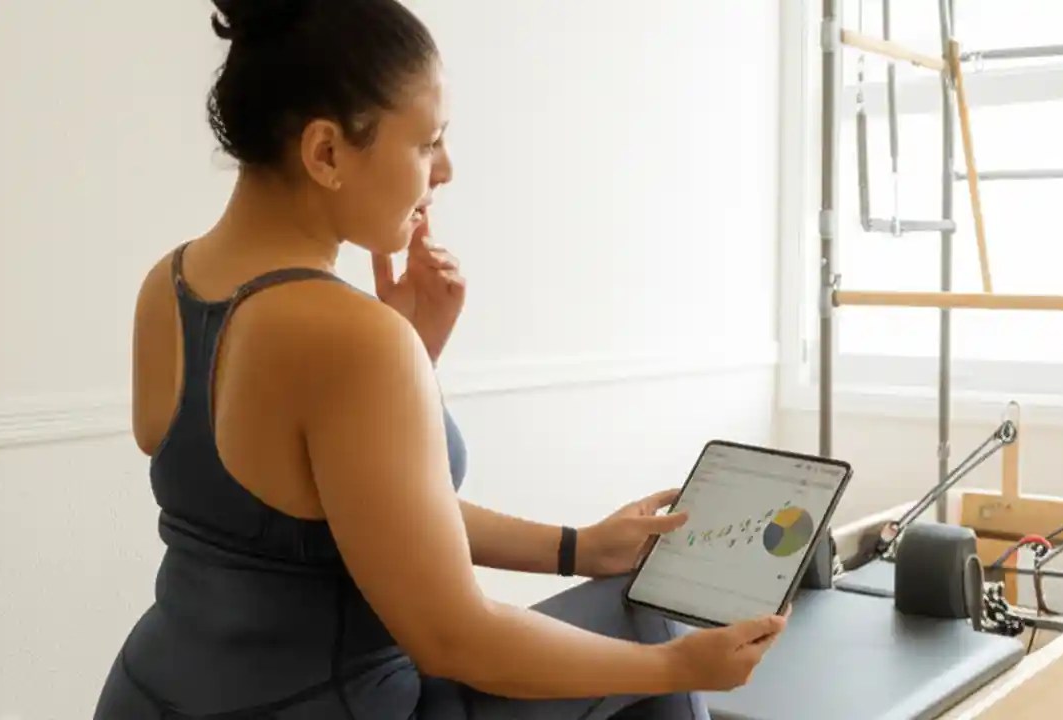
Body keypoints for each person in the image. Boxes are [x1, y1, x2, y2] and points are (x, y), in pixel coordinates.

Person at [93, 1, 788, 717]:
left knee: (624, 611)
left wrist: (580, 547)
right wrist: (677, 666)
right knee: (648, 624)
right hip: (329, 702)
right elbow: (455, 640)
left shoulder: (168, 285)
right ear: (326, 153)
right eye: (428, 143)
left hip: (150, 695)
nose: (445, 170)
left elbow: (339, 512)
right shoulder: (352, 340)